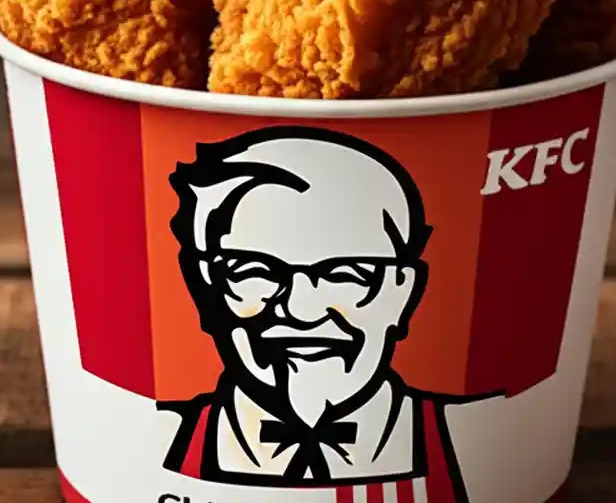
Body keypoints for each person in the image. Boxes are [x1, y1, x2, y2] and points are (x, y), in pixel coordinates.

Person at [161, 126, 477, 497]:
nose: (302, 310)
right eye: (255, 272)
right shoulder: (144, 436)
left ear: (402, 292)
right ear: (205, 288)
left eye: (346, 274)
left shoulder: (479, 436)